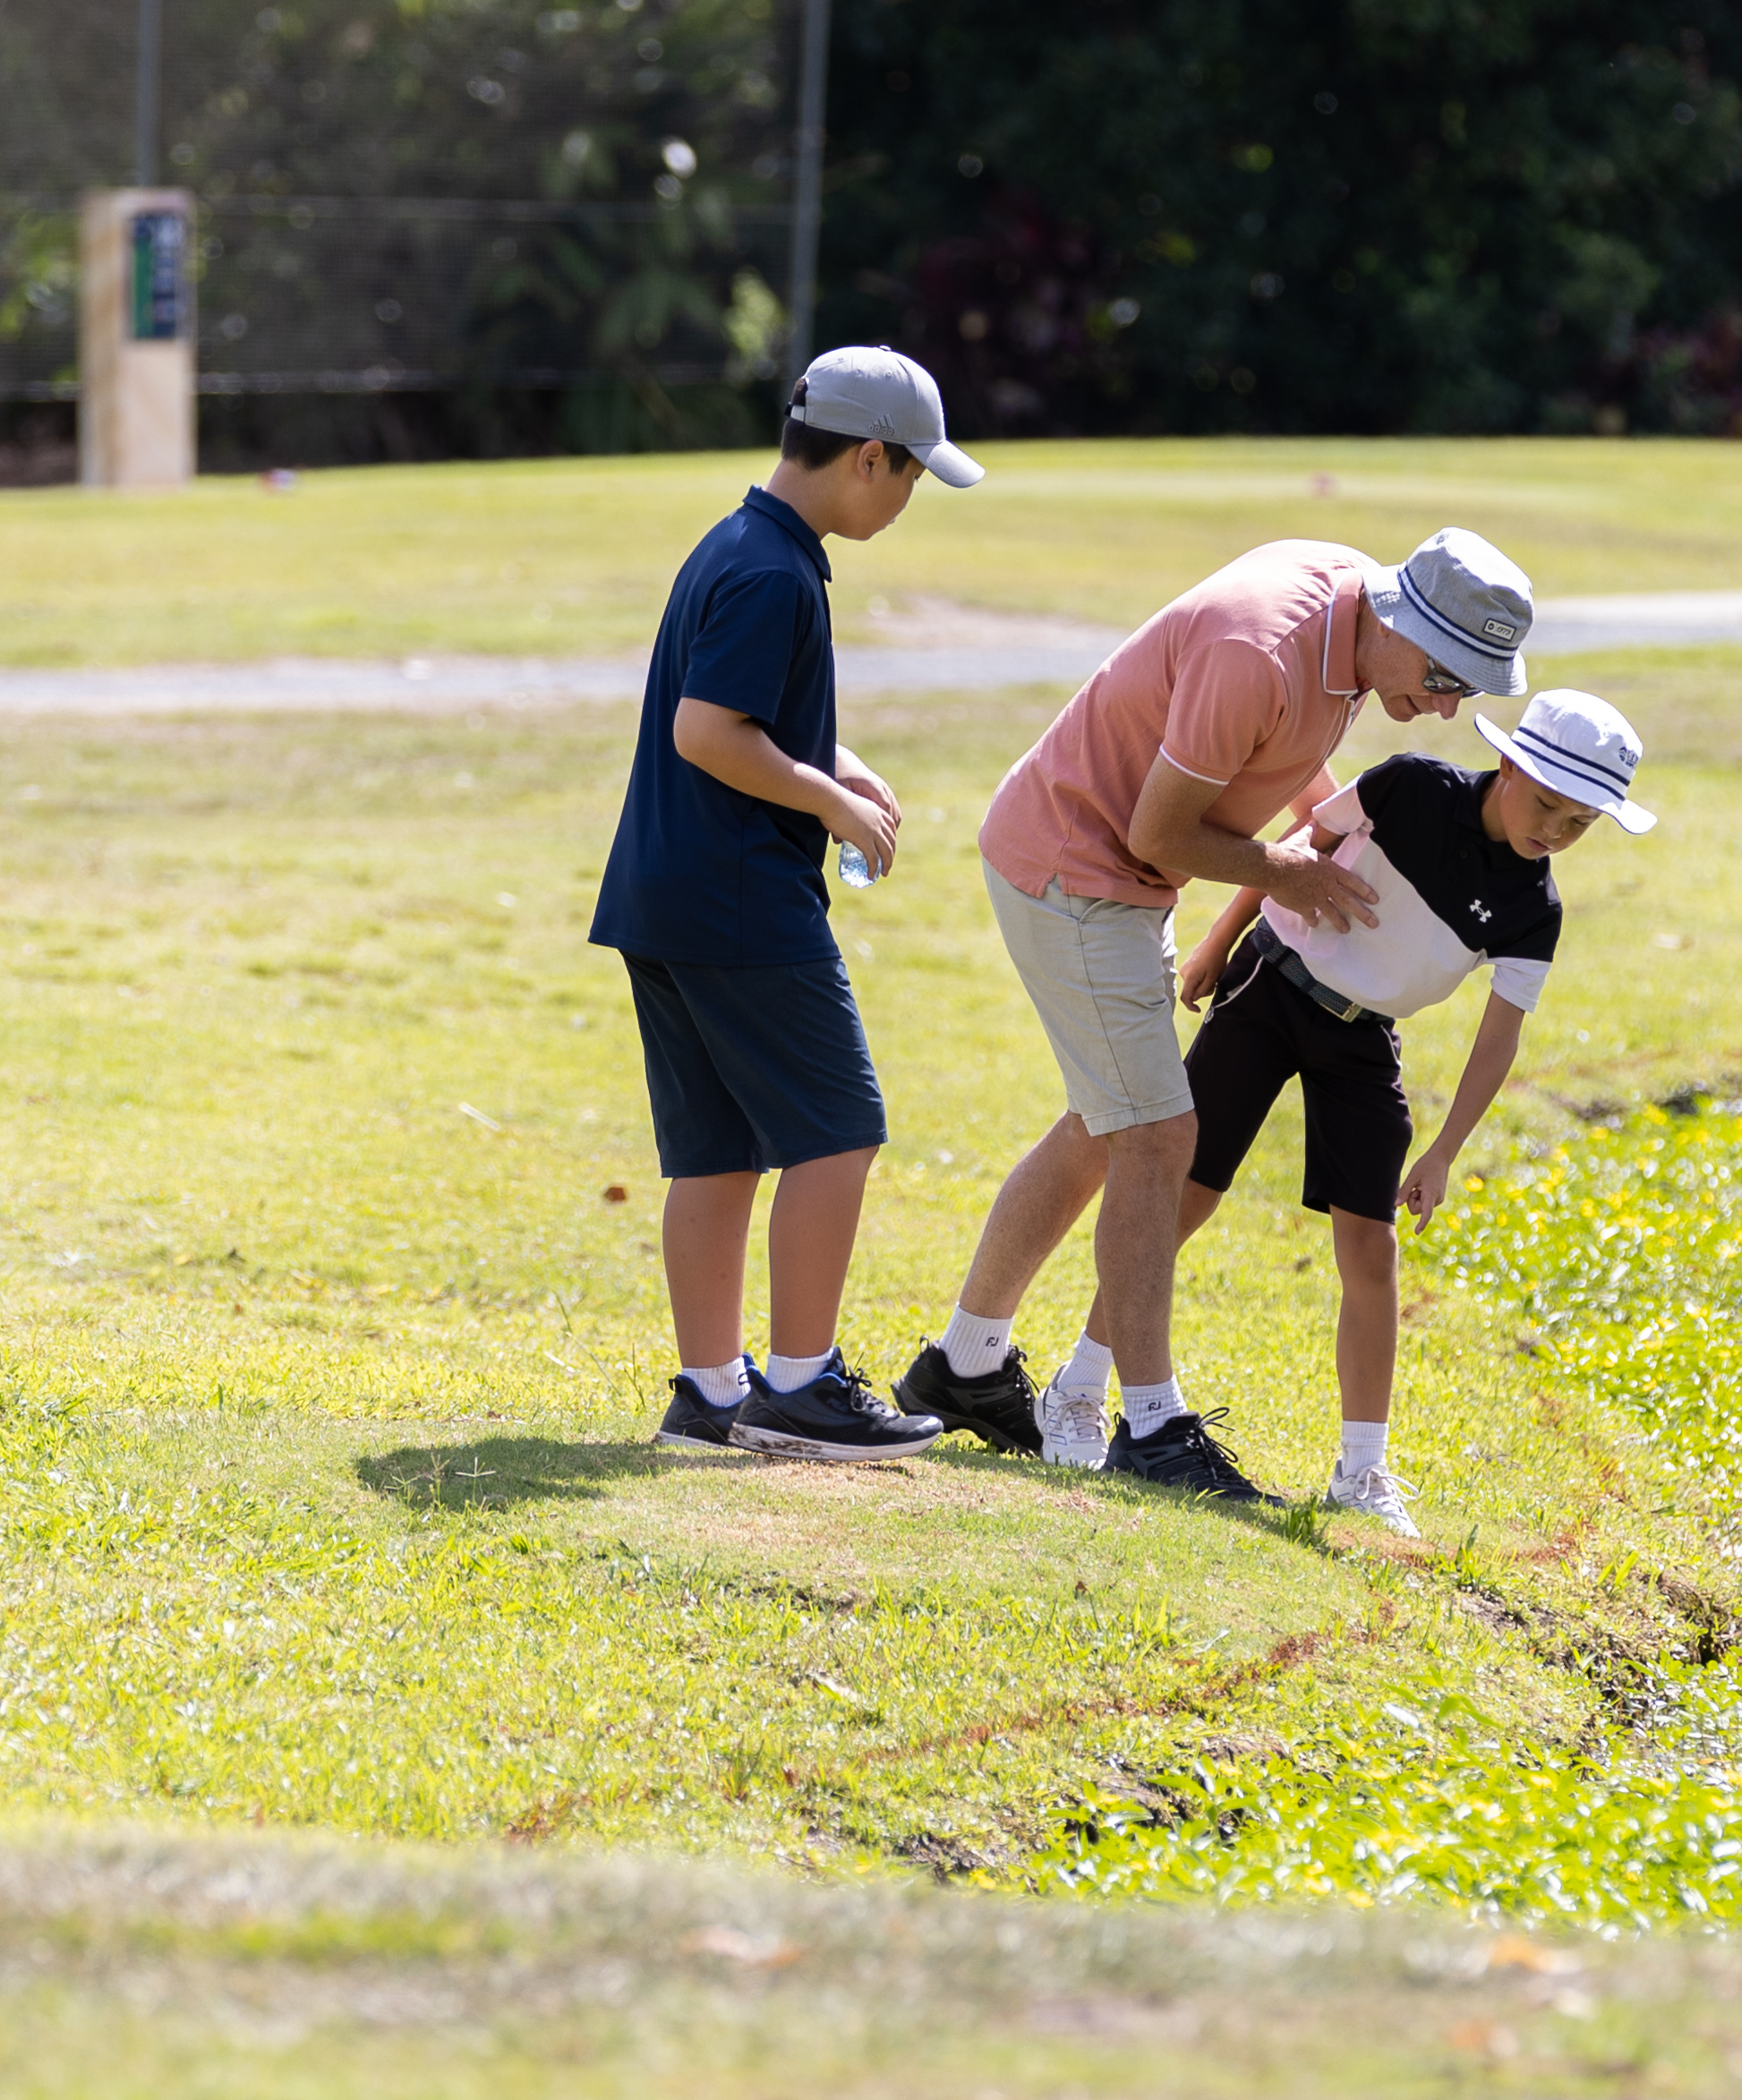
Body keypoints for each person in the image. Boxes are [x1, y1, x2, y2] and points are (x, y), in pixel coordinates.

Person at [892, 528, 1538, 1502]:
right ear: (1398, 618)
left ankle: (963, 1366)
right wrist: (1290, 869)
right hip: (1075, 866)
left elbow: (1268, 762)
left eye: (1469, 688)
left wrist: (1320, 820)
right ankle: (1151, 1427)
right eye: (1445, 673)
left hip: (1118, 877)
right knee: (1157, 1134)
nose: (1446, 707)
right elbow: (1161, 830)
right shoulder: (1260, 653)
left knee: (1105, 1123)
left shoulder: (1350, 616)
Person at [587, 345, 980, 1464]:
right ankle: (801, 1387)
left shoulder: (738, 541)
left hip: (666, 892)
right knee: (838, 1129)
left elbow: (733, 705)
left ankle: (711, 1395)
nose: (909, 499)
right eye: (910, 477)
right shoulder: (774, 572)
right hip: (741, 898)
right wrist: (832, 806)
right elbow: (705, 733)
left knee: (714, 1152)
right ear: (867, 458)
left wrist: (830, 759)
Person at [1164, 689, 1655, 1534]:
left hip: (1362, 1039)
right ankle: (1086, 1383)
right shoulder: (1409, 785)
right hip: (1271, 984)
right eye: (1546, 804)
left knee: (1371, 1245)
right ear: (1510, 764)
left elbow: (1498, 1037)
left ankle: (1361, 1471)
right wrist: (1216, 940)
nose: (1554, 831)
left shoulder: (1535, 907)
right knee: (1183, 1194)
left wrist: (1445, 1150)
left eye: (1580, 823)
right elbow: (1296, 849)